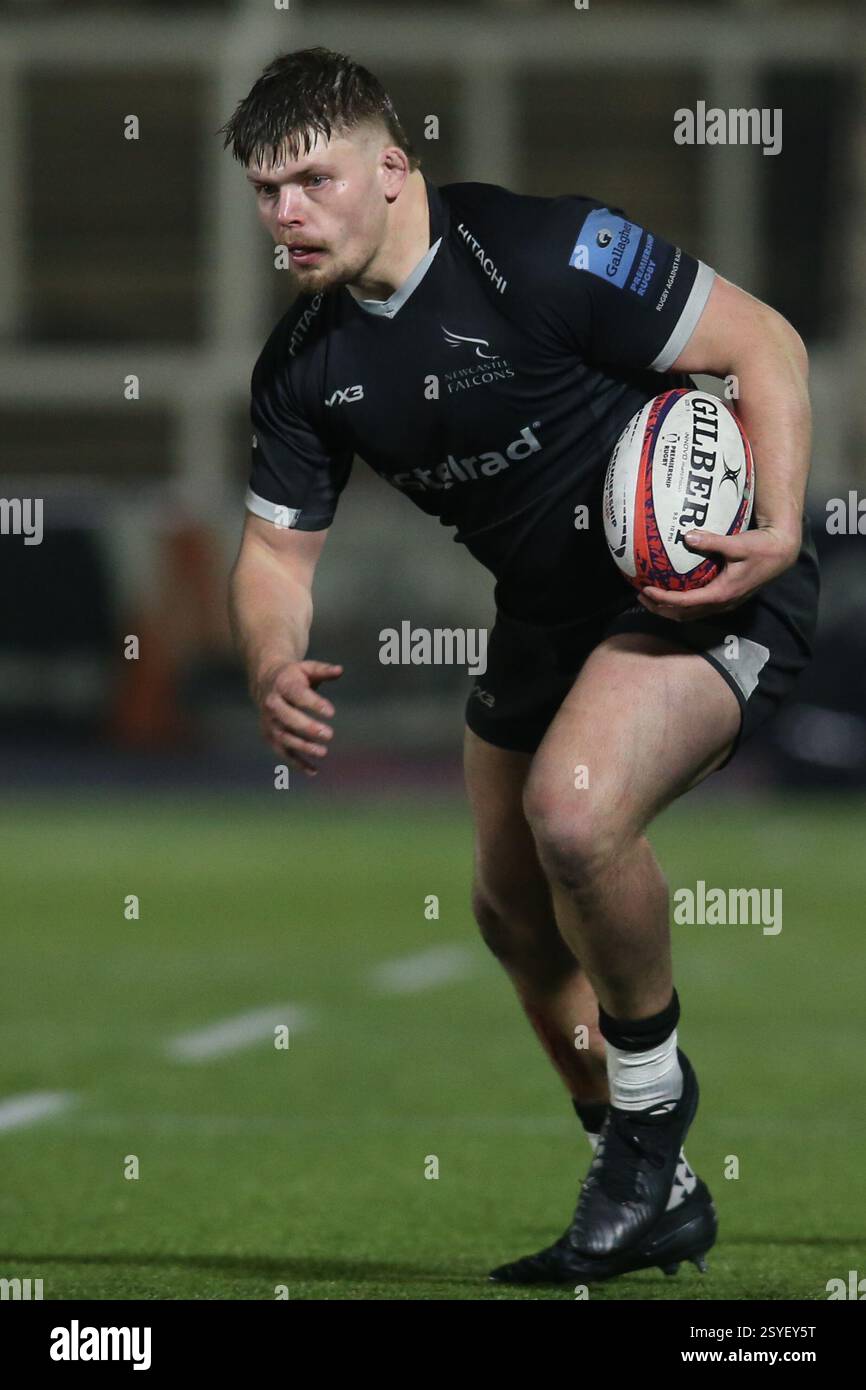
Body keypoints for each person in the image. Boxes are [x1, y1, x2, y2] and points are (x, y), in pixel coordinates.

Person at [222, 47, 819, 1284]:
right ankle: (650, 1177)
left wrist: (775, 527)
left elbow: (766, 345)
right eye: (264, 190)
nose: (283, 213)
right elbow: (274, 560)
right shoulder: (304, 366)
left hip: (699, 585)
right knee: (508, 915)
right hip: (548, 617)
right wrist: (271, 655)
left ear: (391, 168)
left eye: (309, 179)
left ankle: (650, 1111)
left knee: (572, 813)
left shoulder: (543, 251)